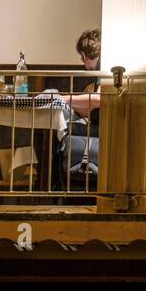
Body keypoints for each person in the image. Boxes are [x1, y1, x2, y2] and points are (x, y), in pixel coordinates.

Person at [50, 29, 102, 189]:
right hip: (101, 123)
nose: (83, 61)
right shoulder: (104, 68)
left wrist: (61, 98)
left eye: (82, 57)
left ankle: (55, 185)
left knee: (57, 130)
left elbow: (98, 100)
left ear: (86, 55)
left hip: (102, 127)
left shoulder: (105, 68)